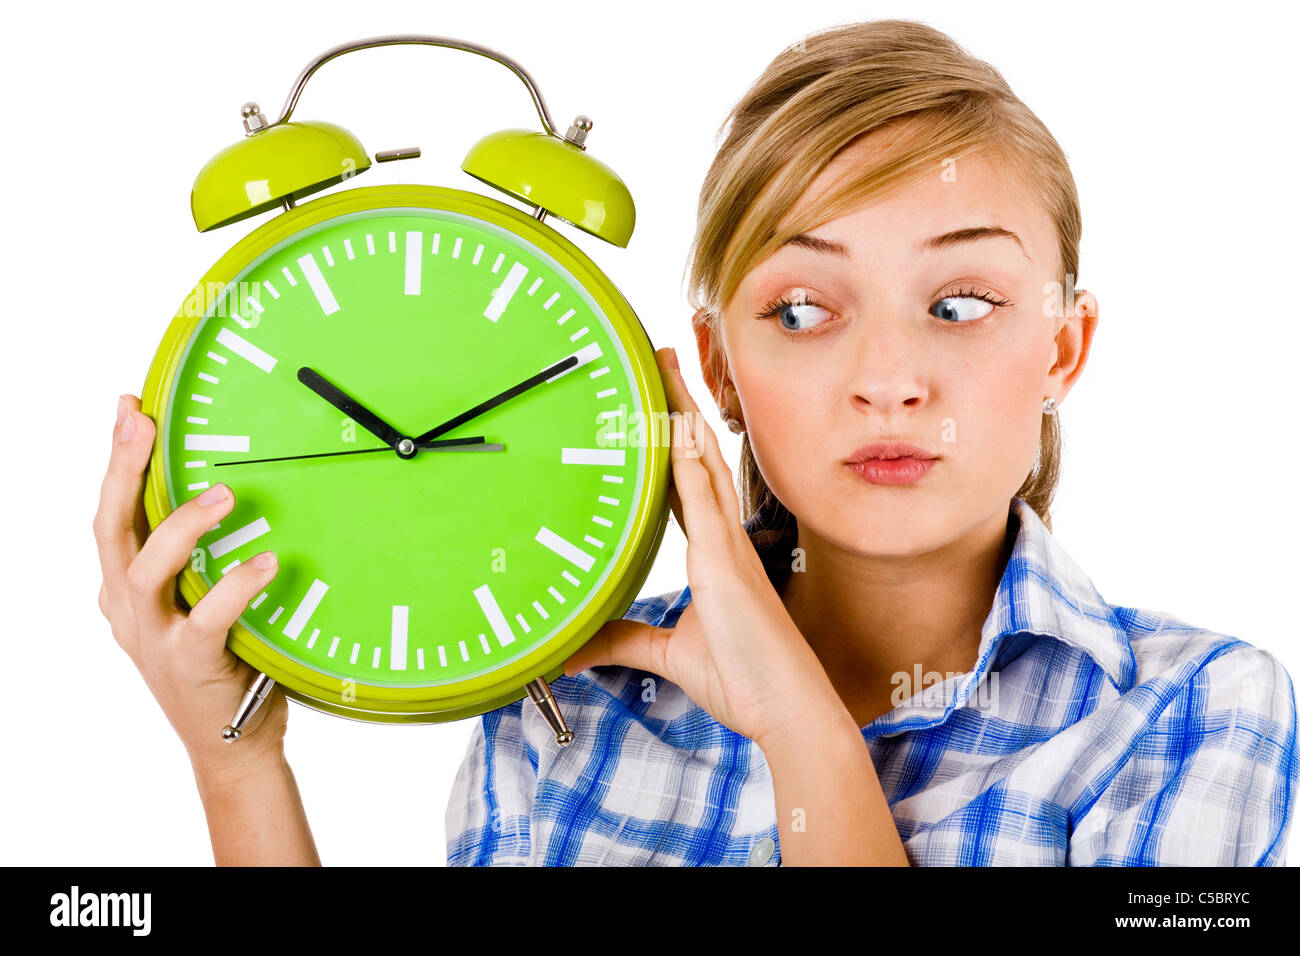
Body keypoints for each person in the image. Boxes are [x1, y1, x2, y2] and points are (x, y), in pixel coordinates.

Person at [95, 19, 1297, 867]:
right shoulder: (565, 712)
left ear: (1062, 350)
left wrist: (799, 726)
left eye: (961, 301)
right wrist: (237, 764)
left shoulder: (1195, 711)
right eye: (802, 310)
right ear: (714, 368)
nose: (886, 381)